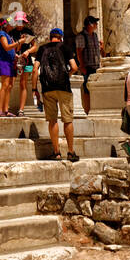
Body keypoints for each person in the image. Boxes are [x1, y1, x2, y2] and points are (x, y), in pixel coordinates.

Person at [38, 28, 79, 161]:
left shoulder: (42, 49)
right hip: (63, 87)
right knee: (67, 120)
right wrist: (67, 76)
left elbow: (34, 70)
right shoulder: (65, 48)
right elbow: (74, 67)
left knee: (52, 120)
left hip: (47, 87)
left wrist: (34, 89)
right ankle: (71, 152)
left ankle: (56, 152)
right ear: (60, 37)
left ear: (50, 37)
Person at [74, 14, 103, 114]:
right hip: (87, 66)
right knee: (87, 89)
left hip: (96, 66)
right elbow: (79, 52)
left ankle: (95, 108)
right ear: (90, 24)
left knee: (95, 88)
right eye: (95, 23)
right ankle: (87, 110)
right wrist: (82, 66)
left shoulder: (95, 35)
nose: (96, 25)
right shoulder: (81, 36)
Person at [0, 16, 20, 117]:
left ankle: (5, 109)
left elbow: (11, 49)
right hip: (4, 62)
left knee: (10, 86)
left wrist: (16, 55)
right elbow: (6, 47)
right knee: (5, 85)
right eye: (10, 23)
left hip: (11, 62)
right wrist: (18, 43)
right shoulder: (2, 34)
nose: (12, 25)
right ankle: (0, 110)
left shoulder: (8, 35)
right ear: (5, 25)